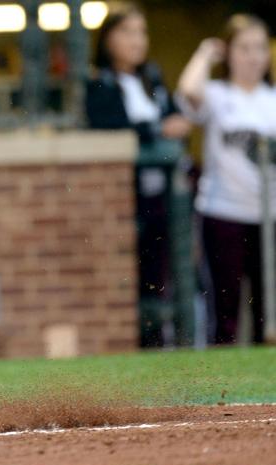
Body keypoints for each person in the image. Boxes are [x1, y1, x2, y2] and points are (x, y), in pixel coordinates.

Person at [85, 2, 192, 347]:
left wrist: (168, 126)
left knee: (165, 273)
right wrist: (156, 128)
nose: (137, 40)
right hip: (126, 198)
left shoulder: (153, 79)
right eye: (127, 32)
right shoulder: (98, 82)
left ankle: (166, 341)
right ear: (107, 39)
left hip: (163, 196)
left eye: (141, 32)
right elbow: (109, 126)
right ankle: (138, 342)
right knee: (131, 277)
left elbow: (178, 119)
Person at [176, 14, 276, 345]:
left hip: (269, 217)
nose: (252, 56)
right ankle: (222, 390)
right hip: (224, 213)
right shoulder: (217, 94)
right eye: (244, 48)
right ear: (230, 52)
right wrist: (206, 53)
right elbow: (189, 90)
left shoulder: (271, 100)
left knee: (268, 309)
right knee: (225, 308)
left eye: (259, 48)